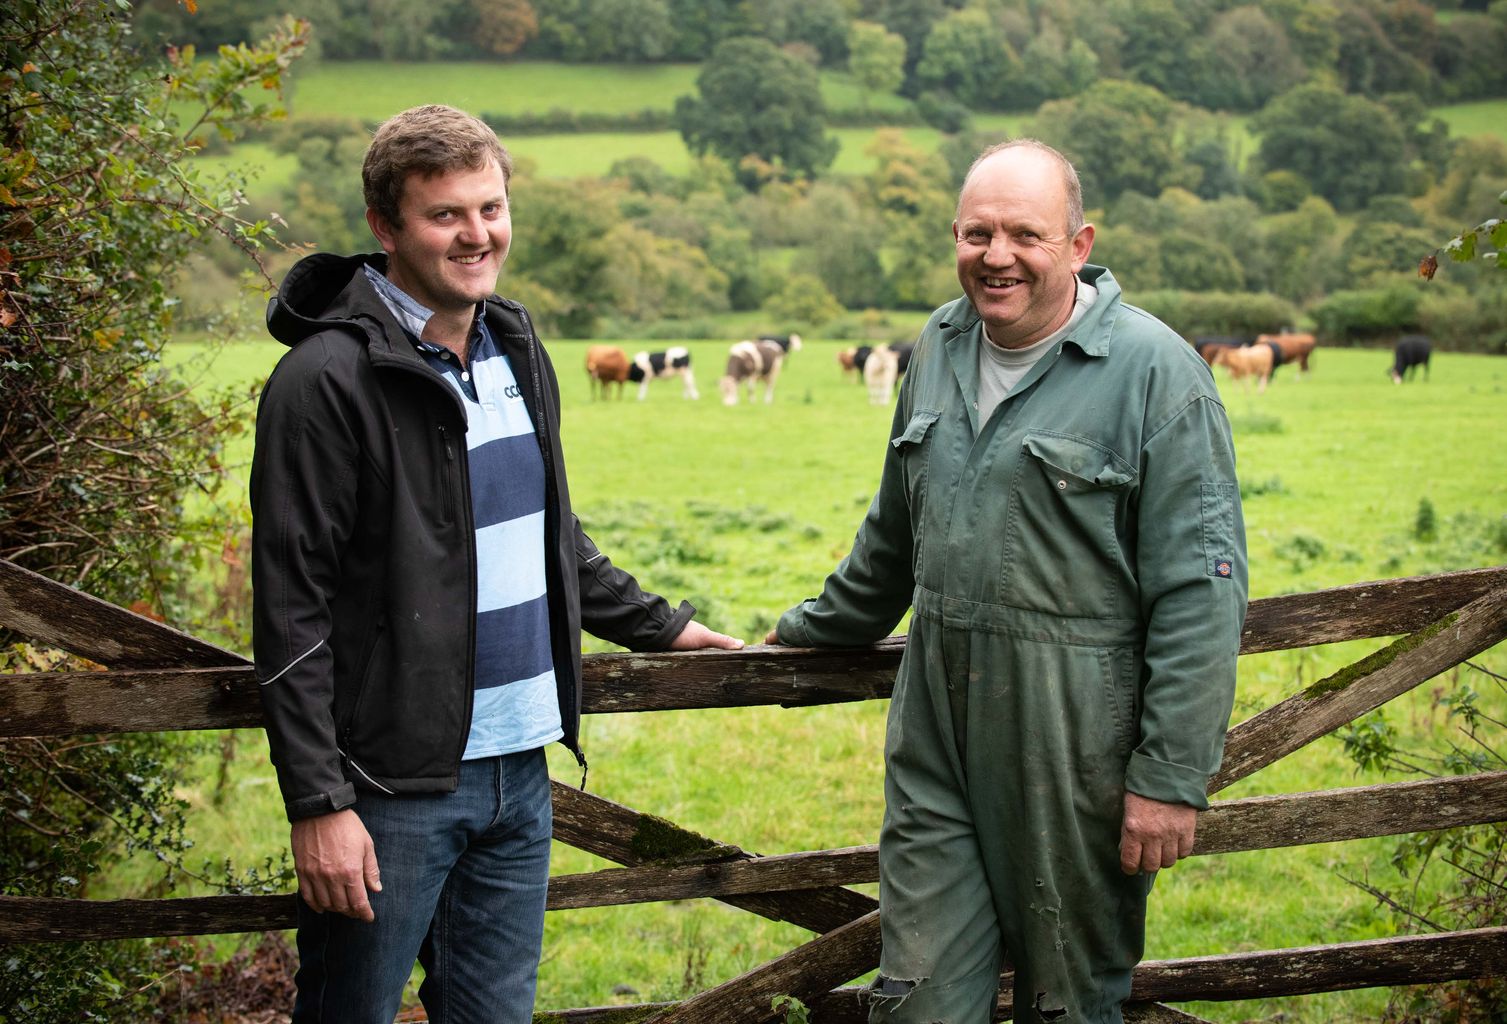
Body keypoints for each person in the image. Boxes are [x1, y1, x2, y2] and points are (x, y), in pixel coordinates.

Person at [250, 104, 743, 1024]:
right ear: (385, 228)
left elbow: (543, 531)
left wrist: (661, 624)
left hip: (521, 769)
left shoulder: (512, 343)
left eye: (491, 207)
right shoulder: (324, 381)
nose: (477, 234)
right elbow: (290, 607)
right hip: (390, 788)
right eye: (446, 215)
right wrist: (318, 800)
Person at [765, 139, 1246, 1023]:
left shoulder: (1156, 375)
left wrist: (1170, 775)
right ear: (953, 234)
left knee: (1069, 999)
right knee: (917, 999)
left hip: (1075, 744)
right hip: (936, 732)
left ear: (1077, 241)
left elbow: (1200, 590)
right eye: (976, 232)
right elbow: (893, 538)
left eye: (1024, 234)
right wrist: (804, 629)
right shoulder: (939, 346)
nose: (996, 256)